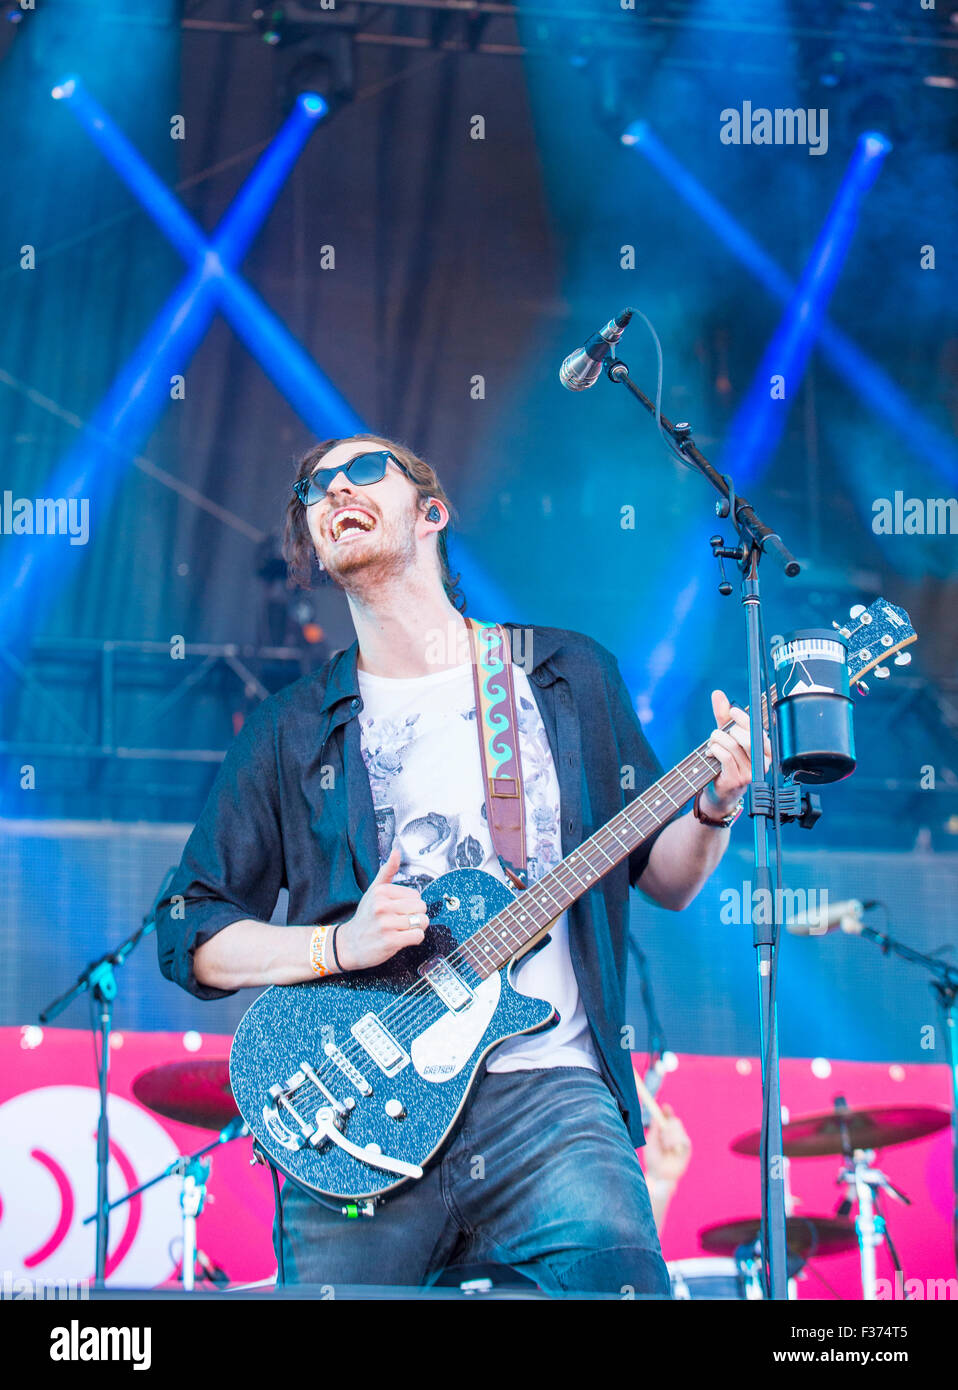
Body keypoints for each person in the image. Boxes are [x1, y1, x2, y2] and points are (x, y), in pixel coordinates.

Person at [156, 433, 767, 1297]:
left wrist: (716, 803)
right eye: (313, 489)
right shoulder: (291, 729)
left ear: (431, 512)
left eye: (364, 471)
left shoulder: (564, 677)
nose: (333, 491)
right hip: (356, 1119)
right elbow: (189, 931)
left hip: (549, 1097)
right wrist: (336, 948)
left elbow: (666, 879)